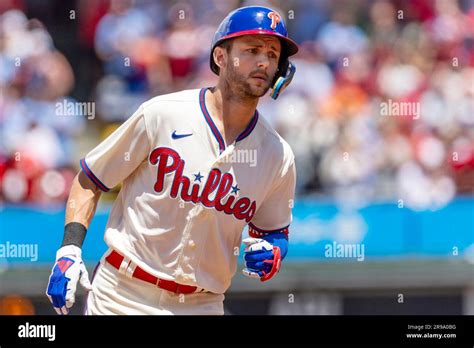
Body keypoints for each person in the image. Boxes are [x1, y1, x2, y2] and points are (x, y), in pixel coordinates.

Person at [46, 6, 298, 315]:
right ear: (220, 57)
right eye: (252, 50)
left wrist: (274, 251)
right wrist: (70, 249)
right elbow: (91, 178)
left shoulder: (277, 155)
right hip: (123, 295)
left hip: (202, 303)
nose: (263, 61)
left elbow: (274, 232)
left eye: (273, 55)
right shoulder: (163, 113)